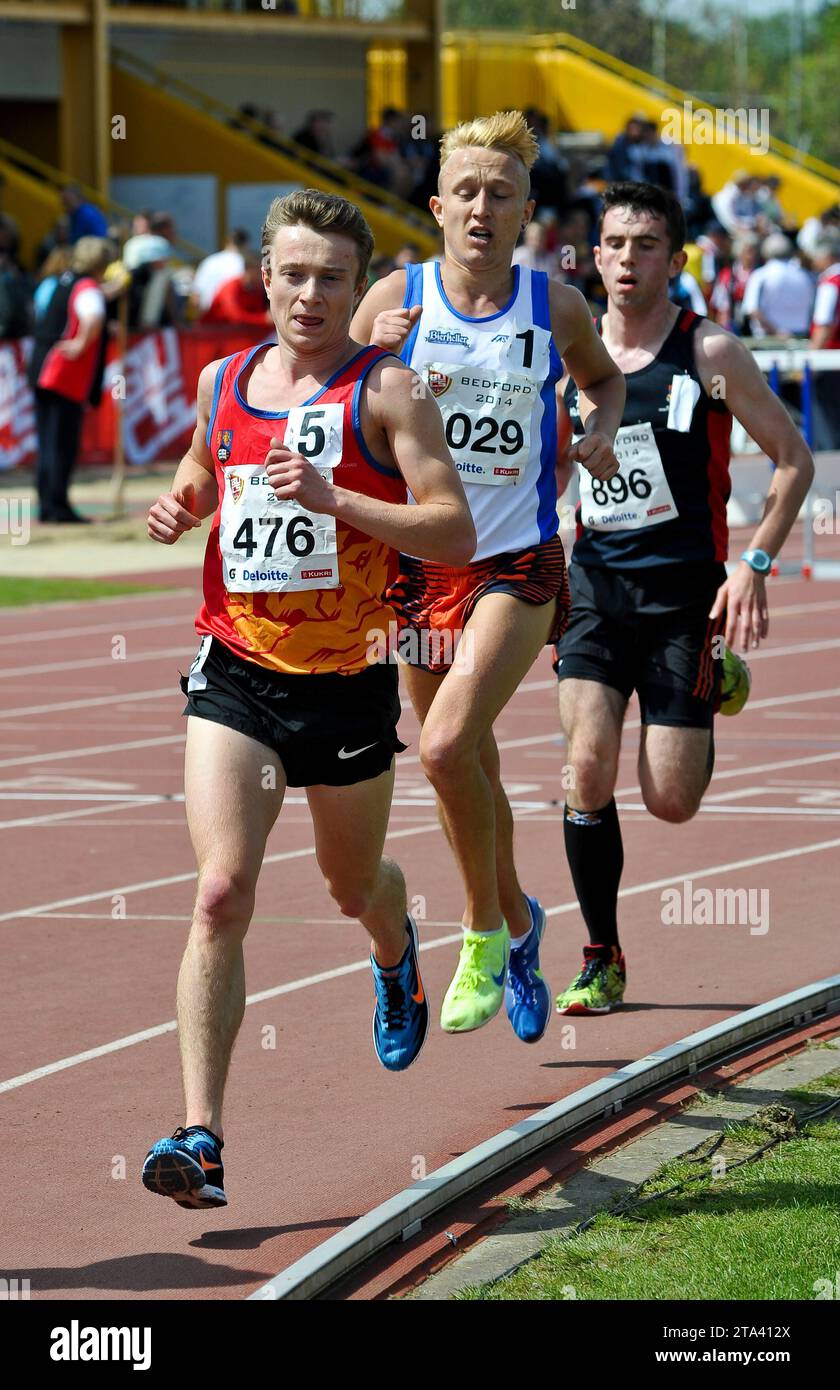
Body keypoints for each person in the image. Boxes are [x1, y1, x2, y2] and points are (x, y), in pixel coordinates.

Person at [140, 189, 475, 1209]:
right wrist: (184, 499)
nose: (312, 293)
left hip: (348, 683)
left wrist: (337, 499)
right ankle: (202, 1137)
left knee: (352, 883)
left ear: (353, 284)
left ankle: (395, 944)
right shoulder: (224, 379)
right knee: (219, 892)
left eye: (333, 276)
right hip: (236, 666)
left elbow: (453, 531)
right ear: (265, 278)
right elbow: (210, 466)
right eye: (294, 273)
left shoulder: (390, 392)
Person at [351, 111, 623, 1045]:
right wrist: (369, 354)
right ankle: (521, 917)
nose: (482, 207)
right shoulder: (396, 295)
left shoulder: (557, 307)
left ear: (526, 213)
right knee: (464, 760)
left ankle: (479, 939)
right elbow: (331, 407)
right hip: (420, 569)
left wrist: (601, 426)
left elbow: (605, 379)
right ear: (436, 206)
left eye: (500, 194)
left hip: (519, 565)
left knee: (441, 749)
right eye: (466, 191)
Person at [552, 181, 814, 1015]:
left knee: (670, 800)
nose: (629, 260)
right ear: (595, 257)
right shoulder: (567, 355)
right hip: (594, 589)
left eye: (647, 245)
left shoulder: (711, 354)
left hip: (685, 601)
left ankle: (715, 675)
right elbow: (549, 471)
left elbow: (793, 460)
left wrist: (756, 565)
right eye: (616, 245)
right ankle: (601, 955)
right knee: (585, 767)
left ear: (677, 259)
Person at [27, 236, 111, 524]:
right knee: (61, 443)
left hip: (43, 368)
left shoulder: (63, 280)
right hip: (64, 374)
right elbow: (94, 314)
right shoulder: (87, 287)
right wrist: (80, 343)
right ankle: (57, 506)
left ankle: (49, 504)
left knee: (48, 441)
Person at [741, 233, 814, 339]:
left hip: (768, 340)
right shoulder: (804, 276)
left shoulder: (760, 275)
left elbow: (752, 310)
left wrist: (778, 332)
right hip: (801, 337)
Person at [200, 251, 270, 325]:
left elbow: (258, 312)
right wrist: (264, 319)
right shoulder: (231, 287)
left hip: (235, 333)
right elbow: (234, 316)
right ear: (248, 269)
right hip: (210, 332)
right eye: (259, 271)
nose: (262, 275)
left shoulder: (257, 289)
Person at [190, 229, 249, 316]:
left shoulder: (209, 261)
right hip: (231, 319)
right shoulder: (242, 263)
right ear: (245, 245)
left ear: (227, 241)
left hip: (207, 317)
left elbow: (195, 298)